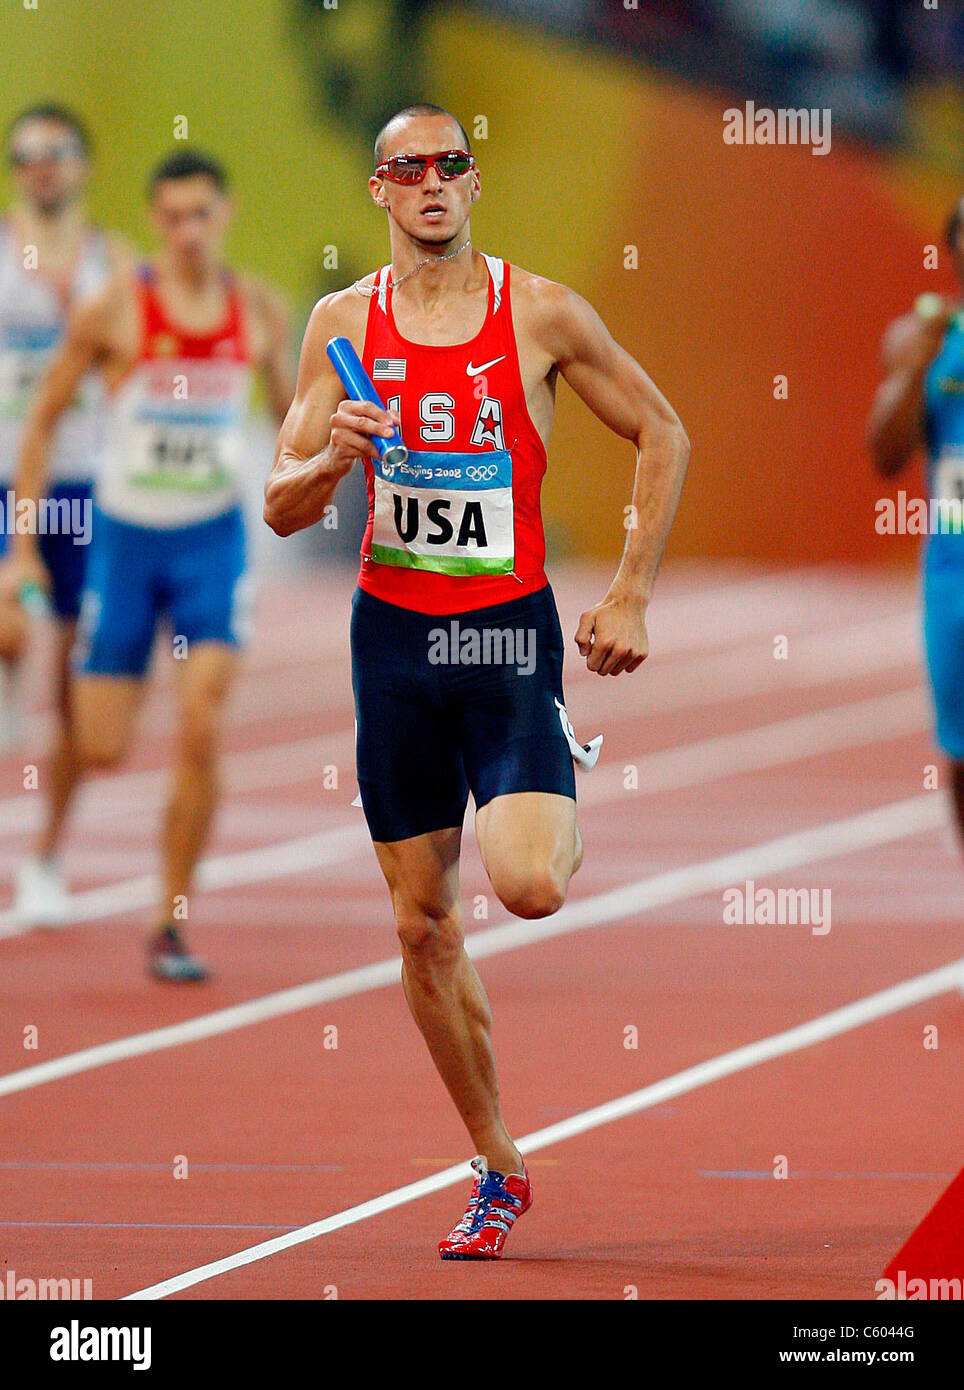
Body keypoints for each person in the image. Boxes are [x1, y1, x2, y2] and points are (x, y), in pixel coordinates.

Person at [265, 104, 689, 1258]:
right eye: (410, 168)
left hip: (503, 635)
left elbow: (662, 429)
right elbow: (278, 497)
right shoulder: (338, 324)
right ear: (380, 190)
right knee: (420, 928)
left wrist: (632, 590)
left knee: (530, 885)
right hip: (392, 641)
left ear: (475, 183)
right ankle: (496, 1161)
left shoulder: (539, 310)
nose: (432, 183)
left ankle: (552, 775)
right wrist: (332, 460)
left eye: (451, 164)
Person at [6, 147, 293, 979]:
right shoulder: (112, 312)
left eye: (202, 214)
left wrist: (316, 441)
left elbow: (288, 420)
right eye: (172, 216)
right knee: (98, 744)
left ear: (226, 214)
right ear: (154, 220)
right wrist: (23, 542)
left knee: (203, 727)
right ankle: (50, 846)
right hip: (125, 545)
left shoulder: (260, 310)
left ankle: (170, 918)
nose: (189, 231)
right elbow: (40, 423)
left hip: (211, 546)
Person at [0, 103, 131, 924]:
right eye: (26, 155)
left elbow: (142, 369)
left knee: (79, 690)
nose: (43, 165)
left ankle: (45, 855)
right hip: (3, 475)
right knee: (9, 627)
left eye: (58, 152)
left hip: (87, 486)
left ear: (82, 166)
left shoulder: (115, 264)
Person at [867, 199, 964, 877]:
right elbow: (884, 454)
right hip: (954, 573)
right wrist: (912, 371)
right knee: (960, 749)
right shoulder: (921, 338)